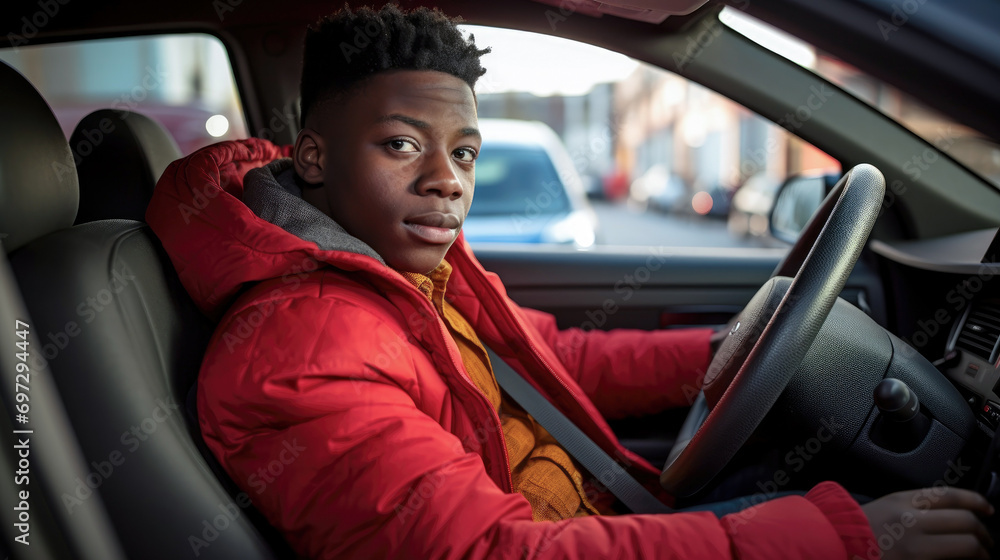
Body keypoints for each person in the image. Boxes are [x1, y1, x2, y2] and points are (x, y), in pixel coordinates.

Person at [146, 4, 994, 559]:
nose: (448, 182)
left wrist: (723, 349)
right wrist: (842, 540)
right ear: (314, 158)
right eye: (401, 144)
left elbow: (554, 360)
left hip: (598, 513)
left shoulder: (403, 271)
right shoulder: (298, 352)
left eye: (464, 153)